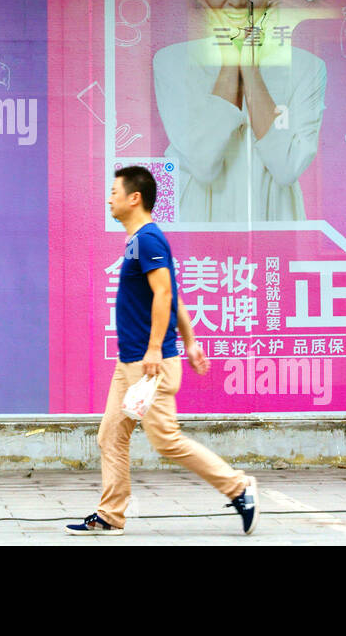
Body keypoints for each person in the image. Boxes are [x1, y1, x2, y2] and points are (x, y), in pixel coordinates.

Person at [66, 165, 259, 536]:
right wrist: (190, 341)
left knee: (165, 439)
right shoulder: (140, 240)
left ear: (133, 198)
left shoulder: (149, 240)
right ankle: (110, 515)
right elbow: (174, 297)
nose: (109, 198)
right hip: (132, 365)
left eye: (114, 191)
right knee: (111, 435)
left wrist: (157, 348)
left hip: (149, 364)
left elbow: (165, 295)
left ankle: (239, 487)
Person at [153, 0, 326, 223]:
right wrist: (232, 61)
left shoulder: (307, 68)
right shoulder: (171, 61)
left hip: (275, 230)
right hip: (194, 234)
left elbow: (287, 168)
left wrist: (250, 66)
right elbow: (203, 164)